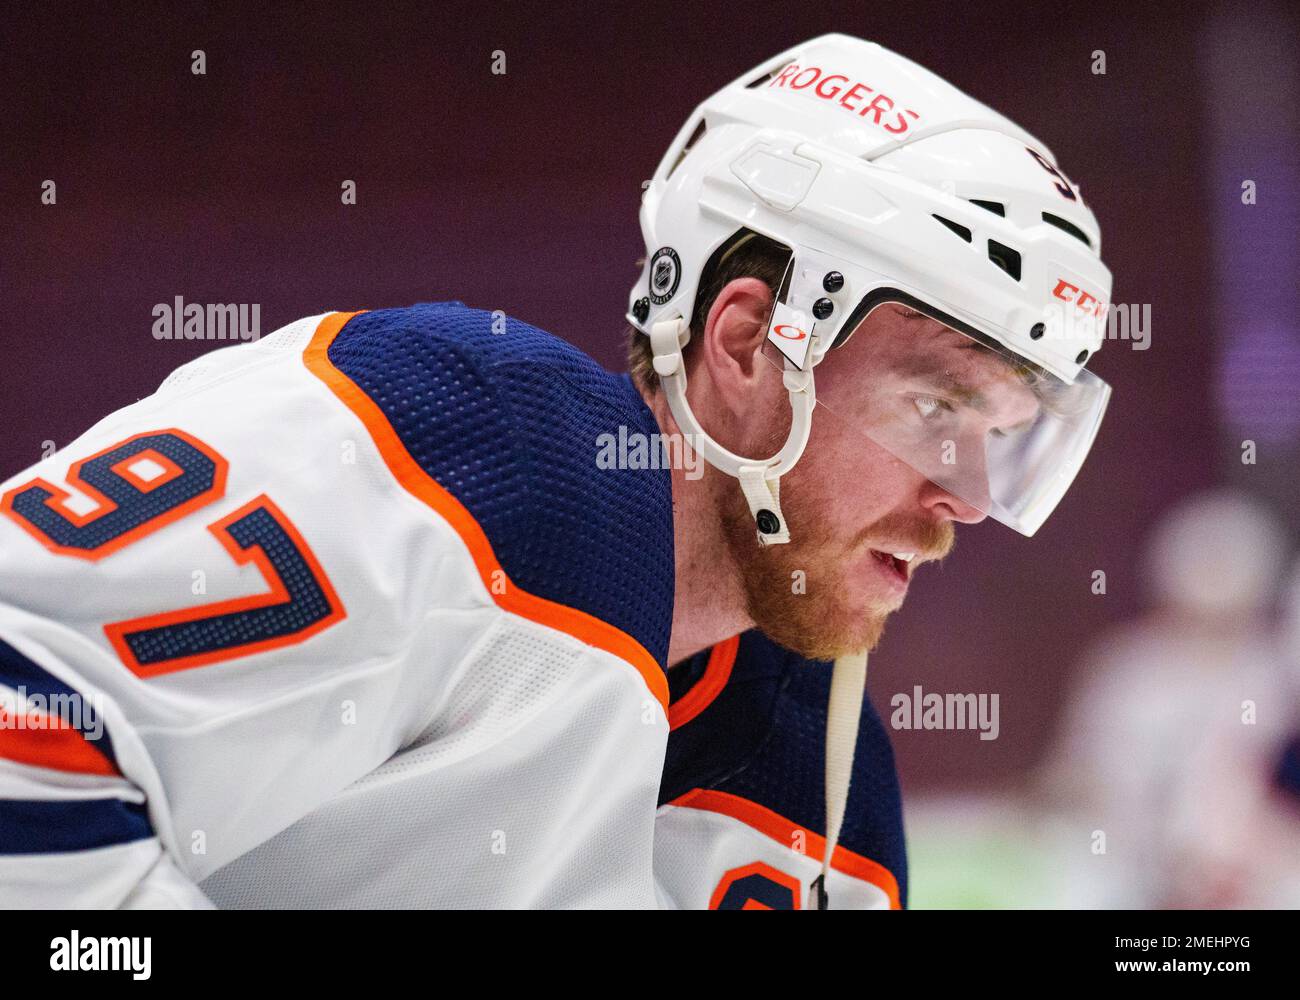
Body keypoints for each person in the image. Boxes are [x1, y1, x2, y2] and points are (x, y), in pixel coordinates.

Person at [0, 34, 1112, 909]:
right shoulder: (478, 446)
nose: (964, 497)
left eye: (1001, 433)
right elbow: (18, 720)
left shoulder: (827, 793)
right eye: (934, 406)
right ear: (745, 348)